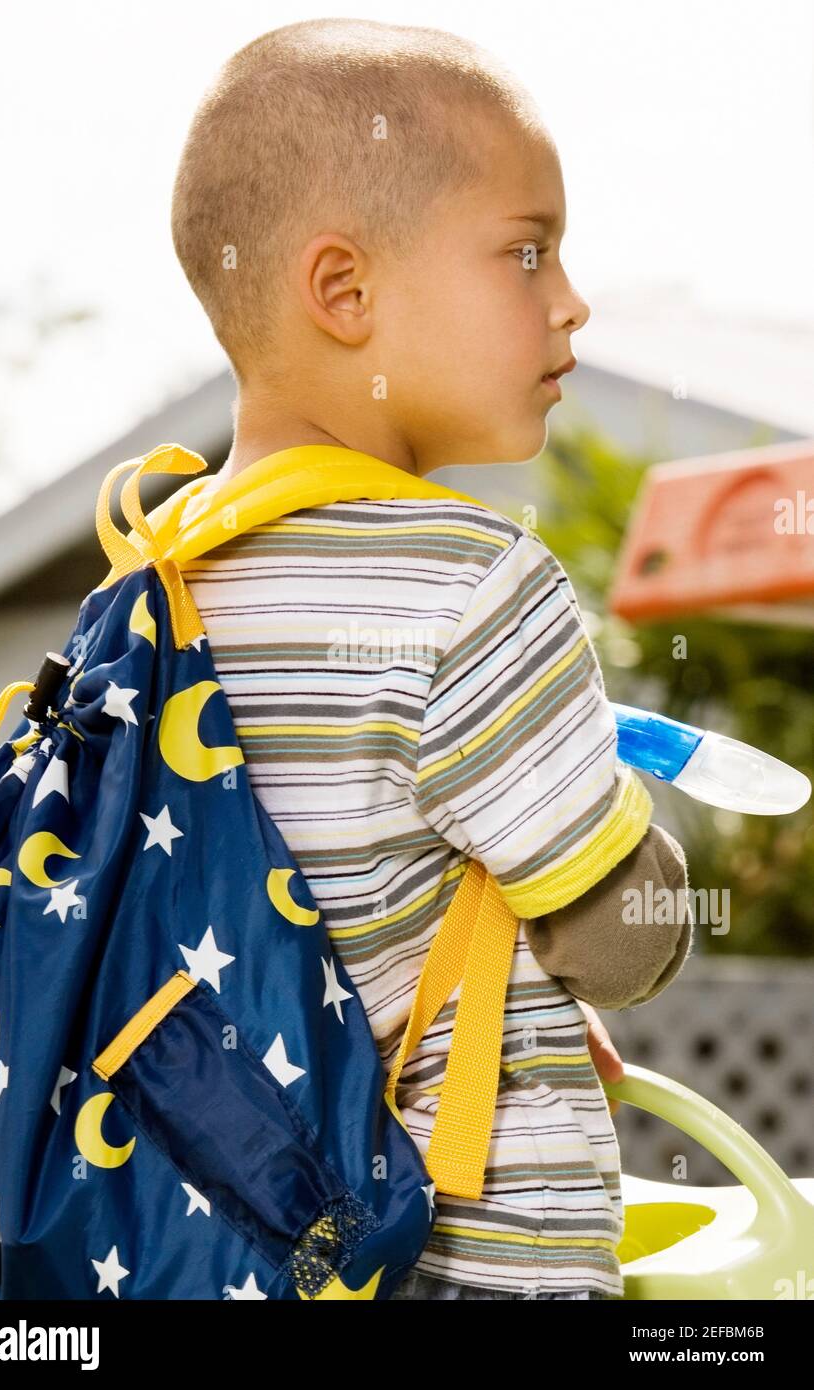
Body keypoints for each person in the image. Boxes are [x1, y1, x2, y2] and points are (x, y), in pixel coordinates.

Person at [172, 18, 693, 1299]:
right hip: (454, 1263)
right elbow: (623, 935)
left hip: (207, 1251)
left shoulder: (159, 581)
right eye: (527, 251)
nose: (570, 299)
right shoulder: (470, 582)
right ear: (344, 292)